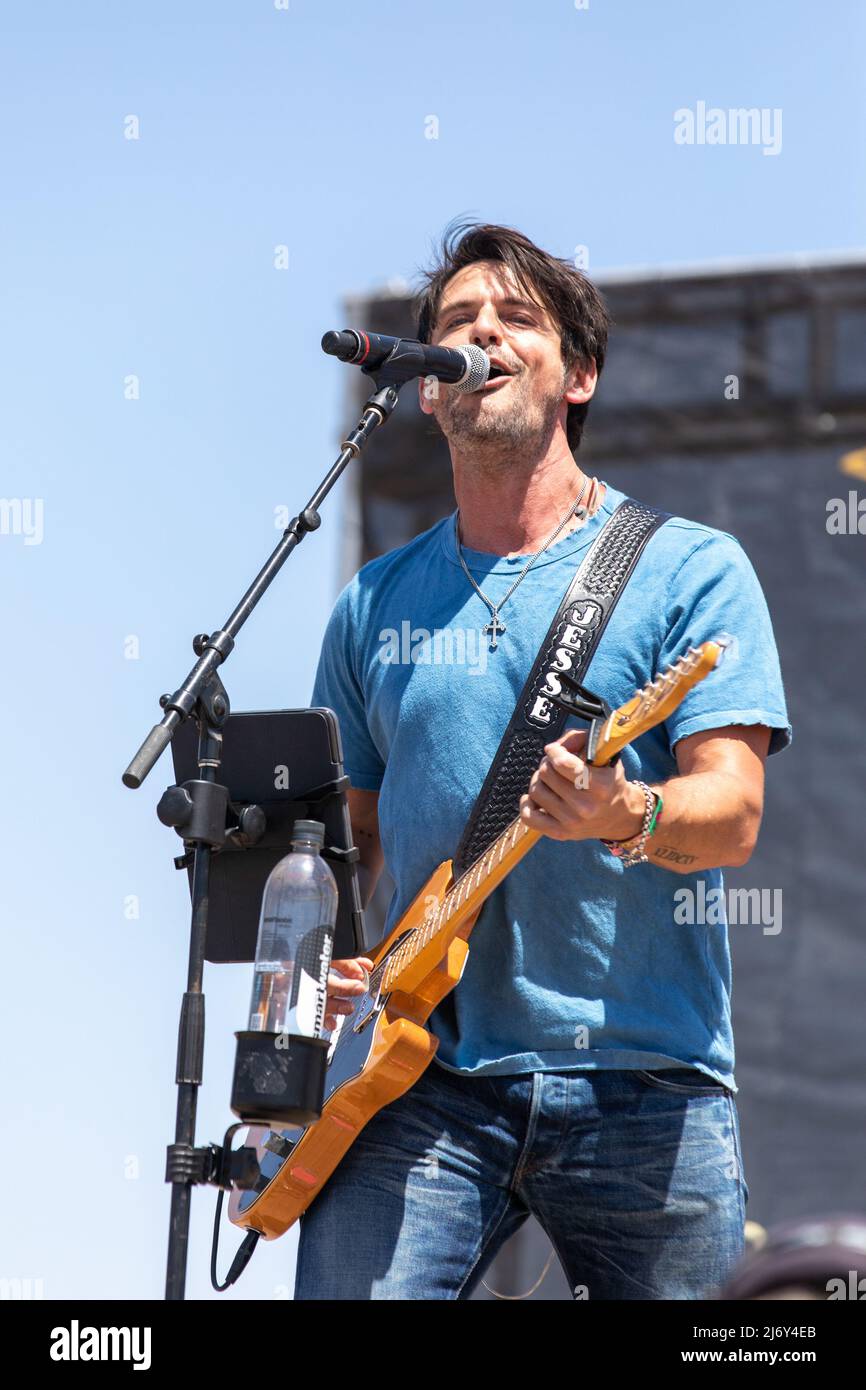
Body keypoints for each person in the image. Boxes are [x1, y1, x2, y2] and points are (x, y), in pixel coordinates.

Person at [294, 221, 792, 1300]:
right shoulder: (371, 602)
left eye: (516, 318)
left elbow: (734, 810)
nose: (481, 332)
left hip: (644, 1079)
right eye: (457, 322)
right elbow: (354, 838)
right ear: (427, 386)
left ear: (579, 374)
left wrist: (625, 813)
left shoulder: (687, 569)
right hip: (421, 1073)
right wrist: (328, 952)